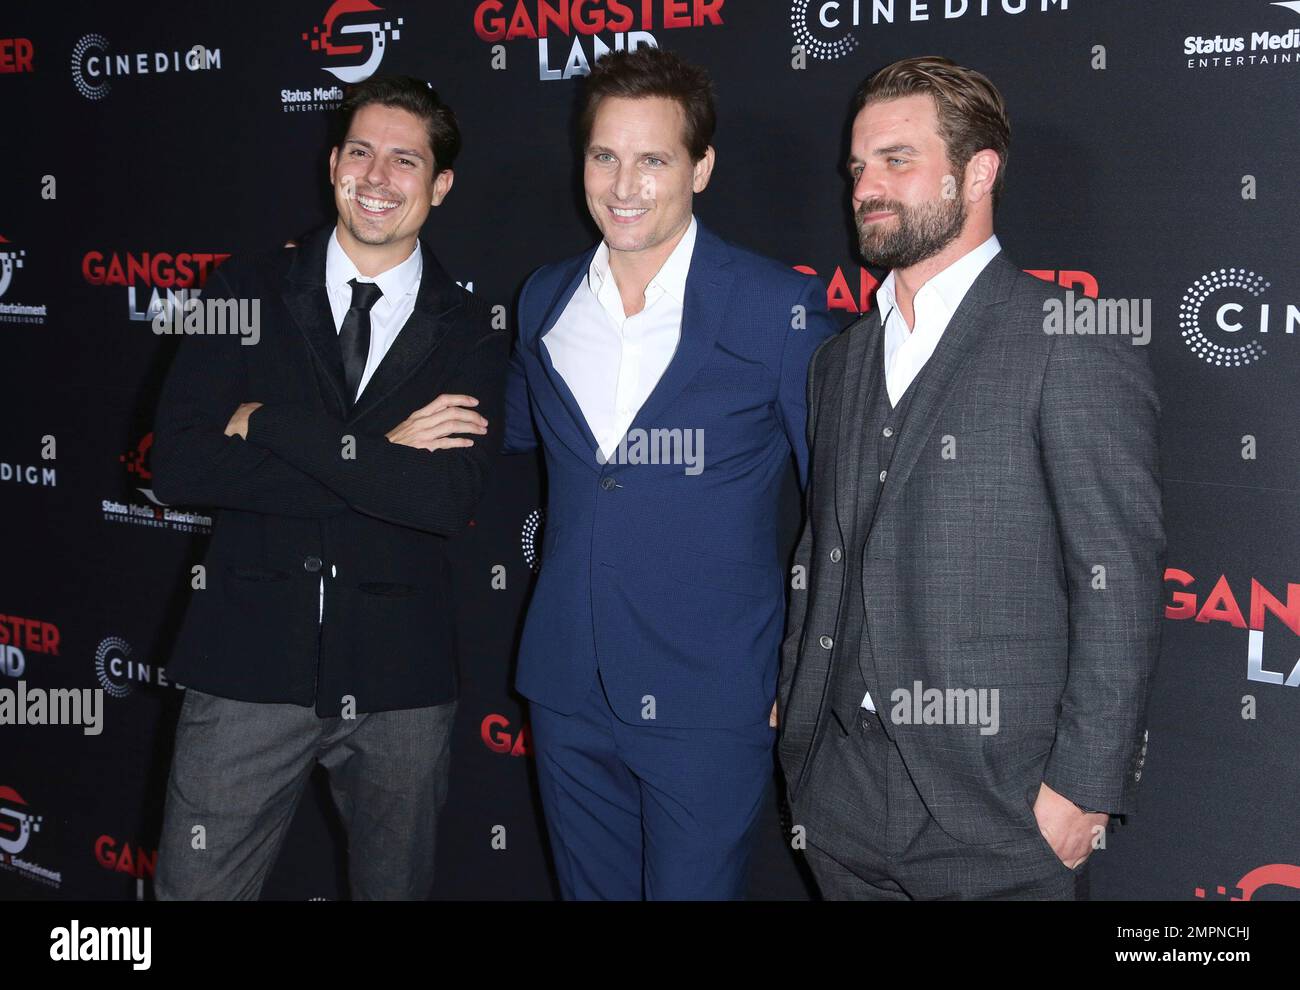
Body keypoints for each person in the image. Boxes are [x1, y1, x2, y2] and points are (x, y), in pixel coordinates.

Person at [777, 56, 1164, 900]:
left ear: (978, 171)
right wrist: (794, 696)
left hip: (1000, 812)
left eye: (897, 159)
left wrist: (1083, 791)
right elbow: (822, 550)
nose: (867, 186)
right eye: (858, 166)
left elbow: (1118, 584)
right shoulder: (838, 364)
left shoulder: (1070, 339)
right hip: (837, 799)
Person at [150, 75, 508, 900]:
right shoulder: (243, 291)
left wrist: (272, 423)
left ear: (440, 185)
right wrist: (383, 454)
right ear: (333, 162)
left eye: (405, 160)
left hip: (402, 686)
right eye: (360, 152)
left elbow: (442, 499)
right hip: (245, 667)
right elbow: (181, 466)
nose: (377, 177)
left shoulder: (470, 328)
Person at [502, 47, 837, 899]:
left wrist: (805, 668)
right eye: (604, 155)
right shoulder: (543, 299)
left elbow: (841, 504)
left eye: (653, 159)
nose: (624, 184)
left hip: (712, 695)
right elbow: (502, 441)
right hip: (567, 685)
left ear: (702, 166)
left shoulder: (775, 308)